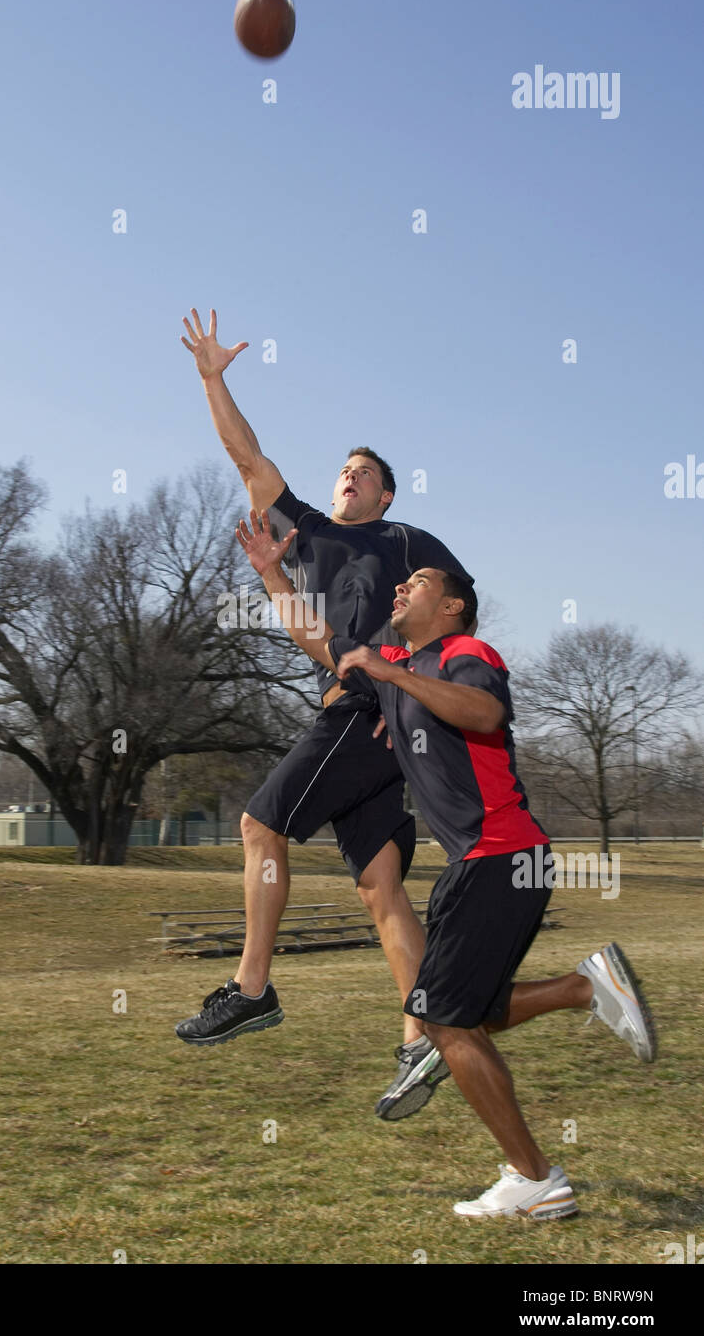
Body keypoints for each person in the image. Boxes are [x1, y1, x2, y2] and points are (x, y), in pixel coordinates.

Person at [237, 509, 657, 1218]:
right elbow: (320, 638)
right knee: (462, 1013)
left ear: (453, 604)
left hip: (503, 857)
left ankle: (534, 1178)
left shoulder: (468, 654)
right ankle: (584, 990)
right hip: (486, 862)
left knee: (443, 1021)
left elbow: (482, 714)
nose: (401, 588)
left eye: (418, 582)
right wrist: (272, 574)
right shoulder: (397, 666)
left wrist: (393, 681)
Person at [176, 308, 471, 1119]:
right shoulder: (301, 533)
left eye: (363, 471)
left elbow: (460, 617)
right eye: (342, 467)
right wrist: (212, 378)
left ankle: (252, 987)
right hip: (361, 706)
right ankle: (424, 1038)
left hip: (374, 710)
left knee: (259, 827)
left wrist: (410, 690)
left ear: (385, 492)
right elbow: (246, 458)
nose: (348, 476)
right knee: (381, 888)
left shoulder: (408, 542)